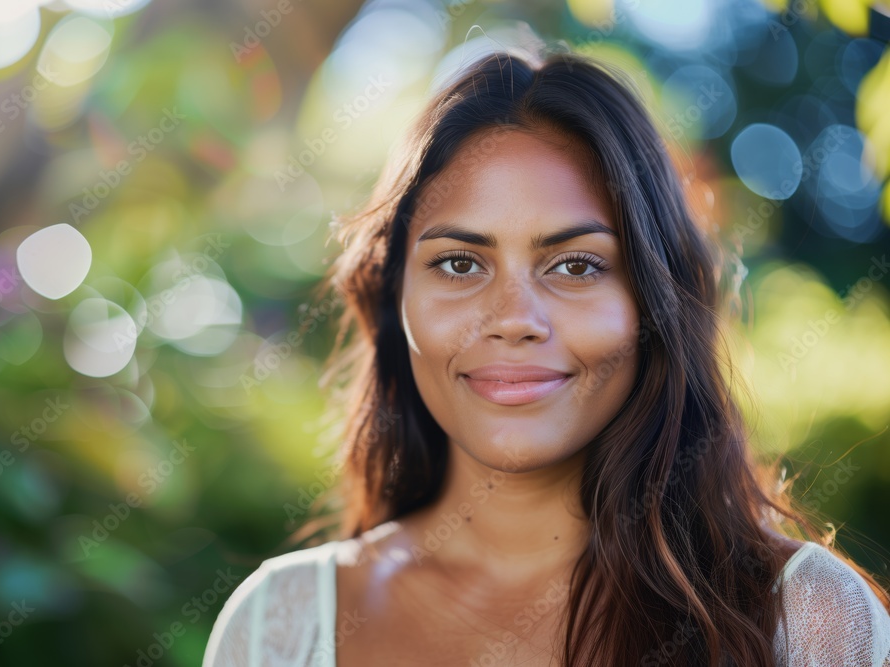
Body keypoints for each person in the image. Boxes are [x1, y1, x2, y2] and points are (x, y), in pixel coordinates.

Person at [202, 49, 890, 666]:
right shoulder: (277, 628)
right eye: (460, 262)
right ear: (392, 295)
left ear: (655, 300)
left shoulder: (805, 621)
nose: (513, 320)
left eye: (577, 266)